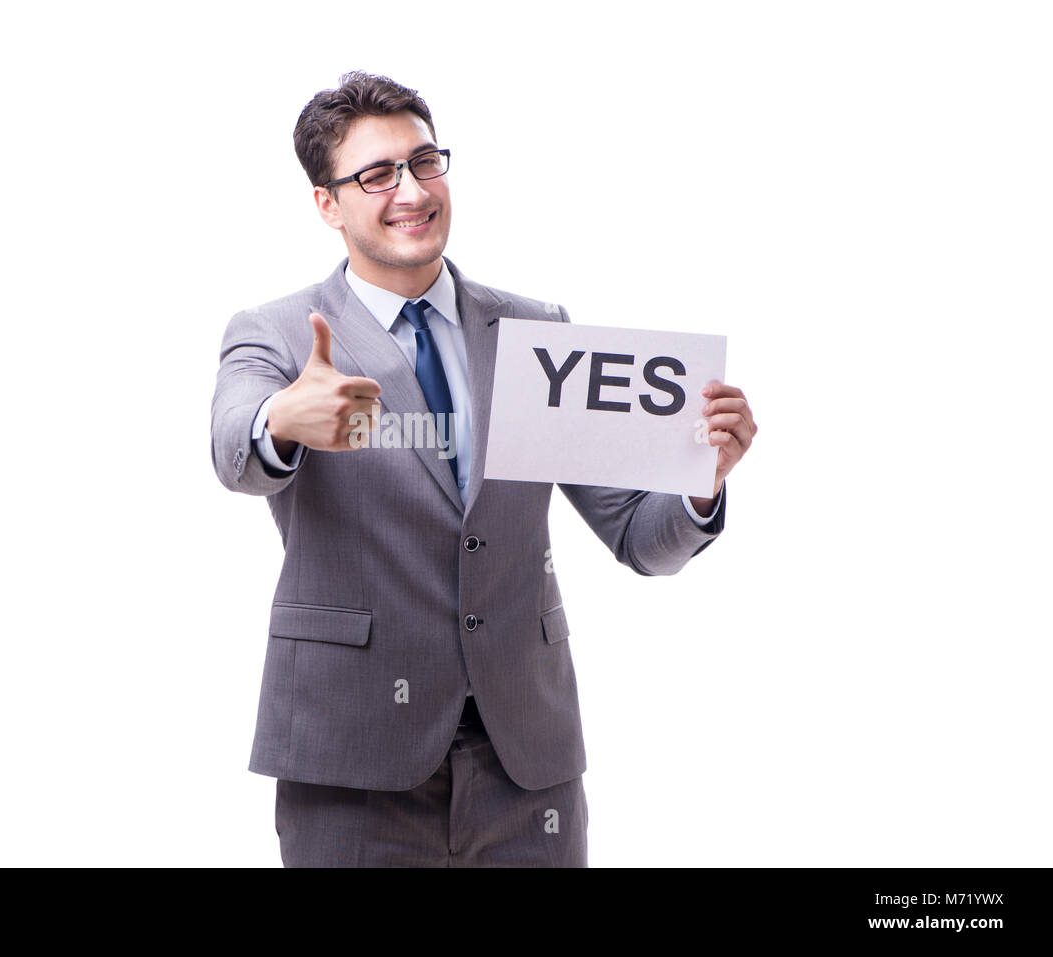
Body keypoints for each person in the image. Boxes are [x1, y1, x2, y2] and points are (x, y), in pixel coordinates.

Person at [210, 72, 757, 867]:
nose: (411, 190)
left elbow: (639, 537)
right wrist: (282, 422)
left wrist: (701, 483)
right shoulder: (279, 333)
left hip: (524, 765)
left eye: (424, 161)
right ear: (327, 204)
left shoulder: (538, 334)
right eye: (376, 174)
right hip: (354, 761)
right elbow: (234, 450)